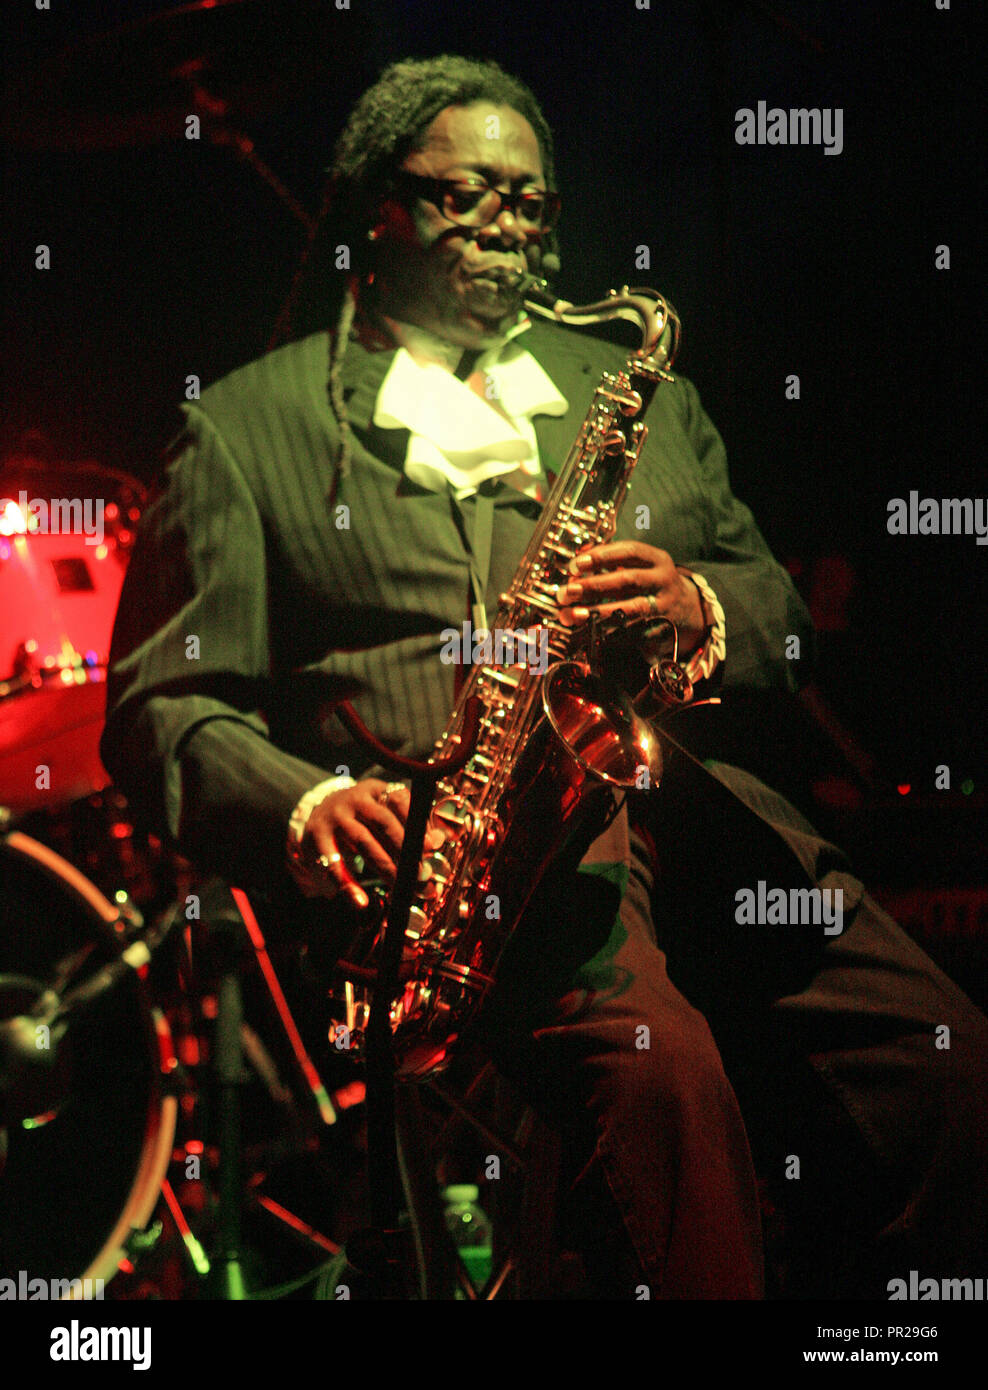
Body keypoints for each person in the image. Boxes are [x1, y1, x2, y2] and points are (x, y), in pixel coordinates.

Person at [101, 55, 988, 1299]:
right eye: (465, 196)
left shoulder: (639, 393)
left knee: (950, 1070)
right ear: (376, 204)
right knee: (656, 1080)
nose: (505, 229)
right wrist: (306, 802)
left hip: (695, 820)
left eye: (529, 203)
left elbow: (781, 618)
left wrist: (697, 608)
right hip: (462, 878)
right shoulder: (247, 429)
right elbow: (161, 708)